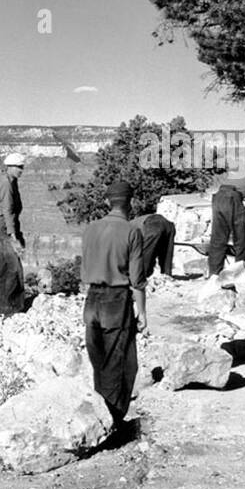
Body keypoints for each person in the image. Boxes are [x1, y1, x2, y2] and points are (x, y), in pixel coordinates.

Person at [80, 180, 146, 430]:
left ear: (107, 202)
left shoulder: (90, 229)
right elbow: (137, 279)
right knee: (120, 366)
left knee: (99, 364)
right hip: (116, 302)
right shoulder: (131, 231)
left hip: (91, 302)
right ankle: (113, 424)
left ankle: (101, 420)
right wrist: (143, 312)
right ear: (130, 203)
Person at [207, 167, 245, 275]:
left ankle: (214, 274)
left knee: (218, 240)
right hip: (232, 197)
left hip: (218, 197)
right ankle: (241, 272)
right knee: (241, 237)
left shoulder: (244, 171)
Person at [0, 152, 26, 316]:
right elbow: (7, 211)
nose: (22, 170)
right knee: (14, 267)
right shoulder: (6, 183)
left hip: (9, 224)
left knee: (5, 266)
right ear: (10, 167)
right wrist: (13, 236)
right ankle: (12, 308)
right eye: (19, 167)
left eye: (22, 167)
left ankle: (3, 307)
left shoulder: (12, 181)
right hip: (5, 226)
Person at [131, 211, 175, 279]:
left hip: (152, 223)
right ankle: (167, 276)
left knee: (144, 255)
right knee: (166, 253)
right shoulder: (131, 224)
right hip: (169, 225)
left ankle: (141, 278)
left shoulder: (124, 229)